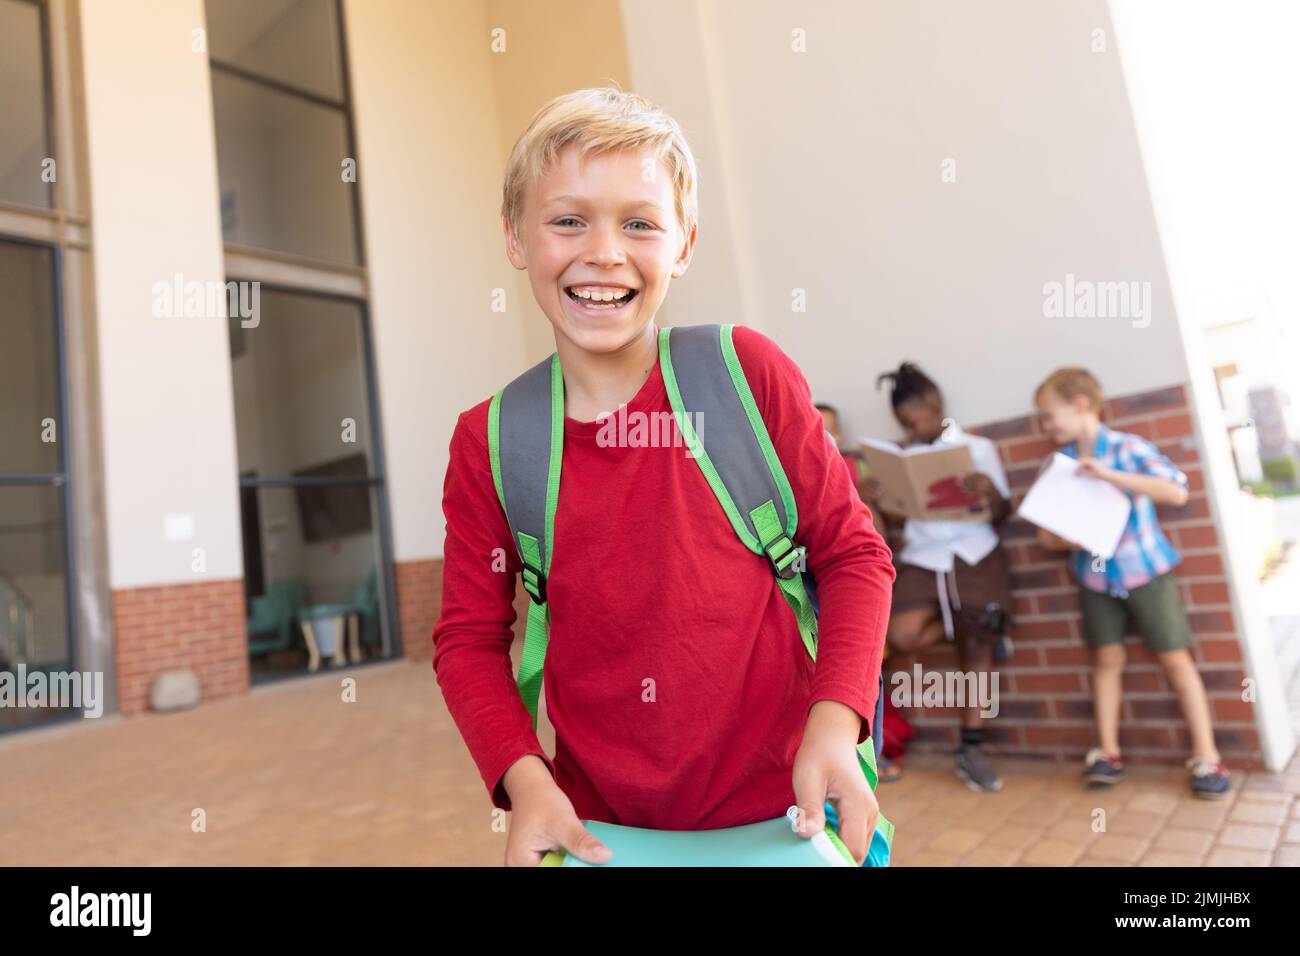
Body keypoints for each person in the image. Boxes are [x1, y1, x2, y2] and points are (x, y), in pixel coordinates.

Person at [431, 88, 897, 866]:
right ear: (516, 237)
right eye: (568, 219)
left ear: (682, 247)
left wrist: (836, 725)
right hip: (603, 836)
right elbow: (469, 639)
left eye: (639, 223)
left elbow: (853, 556)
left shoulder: (746, 373)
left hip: (792, 817)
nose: (605, 252)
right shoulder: (490, 440)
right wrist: (527, 783)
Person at [1033, 367, 1230, 799]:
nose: (1047, 426)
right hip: (1095, 577)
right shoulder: (1060, 466)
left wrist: (1109, 476)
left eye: (1050, 415)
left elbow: (1176, 491)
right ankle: (1106, 752)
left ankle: (1207, 755)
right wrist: (1063, 535)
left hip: (1147, 571)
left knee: (1176, 660)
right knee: (1106, 660)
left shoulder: (1127, 448)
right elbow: (1046, 535)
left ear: (1081, 403)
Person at [861, 362, 1014, 792]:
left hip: (974, 554)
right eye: (903, 424)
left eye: (915, 419)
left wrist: (988, 491)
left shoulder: (977, 449)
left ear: (935, 406)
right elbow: (897, 518)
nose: (911, 429)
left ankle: (971, 746)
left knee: (977, 645)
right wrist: (877, 499)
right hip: (925, 558)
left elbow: (1003, 512)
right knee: (902, 634)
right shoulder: (901, 457)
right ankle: (978, 627)